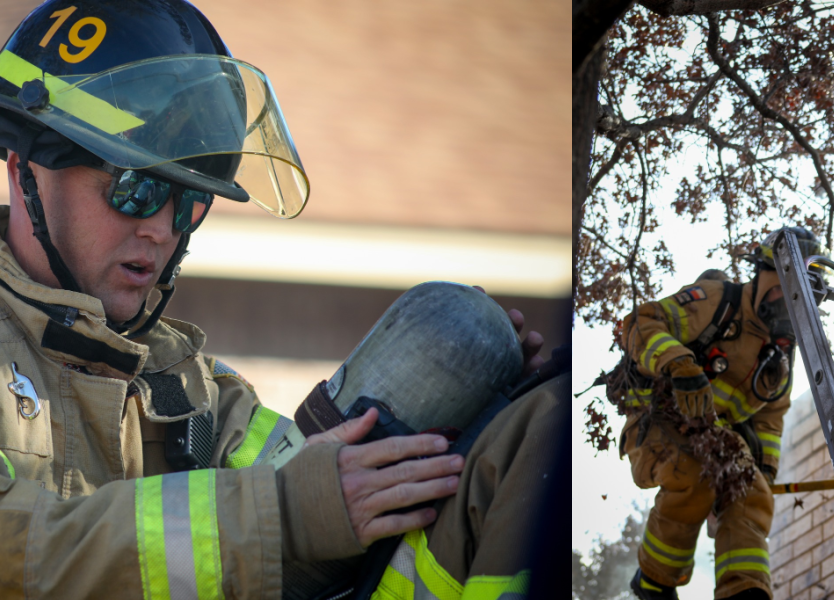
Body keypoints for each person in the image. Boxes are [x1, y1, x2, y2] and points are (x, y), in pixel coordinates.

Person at [0, 1, 561, 598]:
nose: (163, 230)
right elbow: (22, 552)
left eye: (189, 202)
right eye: (137, 188)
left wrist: (469, 408)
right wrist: (283, 517)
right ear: (25, 168)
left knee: (524, 418)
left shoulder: (193, 388)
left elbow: (304, 478)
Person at [619, 227, 823, 600]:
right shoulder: (716, 301)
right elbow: (639, 324)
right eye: (781, 289)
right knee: (692, 471)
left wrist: (760, 473)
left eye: (795, 297)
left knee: (751, 492)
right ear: (761, 275)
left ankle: (745, 591)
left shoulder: (779, 356)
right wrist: (679, 366)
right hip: (656, 418)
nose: (783, 305)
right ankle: (653, 583)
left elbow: (769, 422)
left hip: (714, 435)